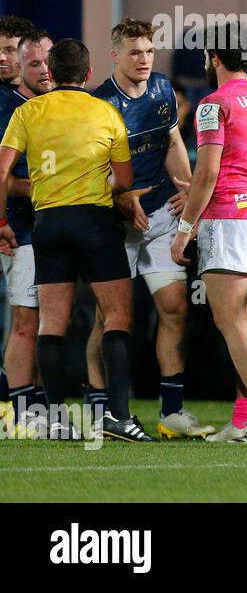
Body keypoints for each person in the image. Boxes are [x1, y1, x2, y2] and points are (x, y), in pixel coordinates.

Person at [0, 38, 154, 442]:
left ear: (52, 71)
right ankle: (117, 416)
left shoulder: (28, 111)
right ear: (88, 74)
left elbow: (1, 172)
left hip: (47, 223)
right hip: (94, 221)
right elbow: (123, 181)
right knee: (118, 317)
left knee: (52, 322)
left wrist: (1, 221)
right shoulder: (106, 112)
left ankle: (52, 416)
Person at [85, 18, 212, 439]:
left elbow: (172, 141)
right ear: (115, 56)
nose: (143, 59)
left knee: (175, 309)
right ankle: (99, 408)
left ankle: (171, 411)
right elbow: (89, 169)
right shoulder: (99, 103)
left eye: (149, 52)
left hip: (159, 219)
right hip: (115, 226)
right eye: (135, 52)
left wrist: (187, 188)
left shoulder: (161, 90)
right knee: (108, 318)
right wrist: (121, 198)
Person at [169, 24, 247, 444]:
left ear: (214, 58)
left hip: (231, 218)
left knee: (231, 319)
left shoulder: (213, 104)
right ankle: (243, 420)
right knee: (245, 320)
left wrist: (185, 228)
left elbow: (206, 173)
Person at [1, 25, 49, 438]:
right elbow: (4, 178)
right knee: (24, 319)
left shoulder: (57, 106)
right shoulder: (10, 109)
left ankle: (30, 405)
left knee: (39, 318)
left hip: (46, 228)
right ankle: (20, 411)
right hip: (18, 229)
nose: (44, 68)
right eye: (34, 62)